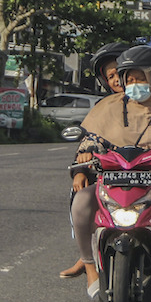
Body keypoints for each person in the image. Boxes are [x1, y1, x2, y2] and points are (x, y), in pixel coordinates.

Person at [69, 45, 151, 302]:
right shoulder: (106, 107)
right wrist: (84, 158)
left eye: (140, 78)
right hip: (109, 181)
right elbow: (89, 138)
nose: (133, 84)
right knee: (81, 200)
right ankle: (90, 267)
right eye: (129, 78)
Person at [59, 42, 127, 279]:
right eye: (111, 75)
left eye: (122, 71)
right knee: (78, 192)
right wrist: (80, 168)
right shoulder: (101, 107)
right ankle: (85, 254)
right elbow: (89, 138)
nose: (117, 79)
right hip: (109, 173)